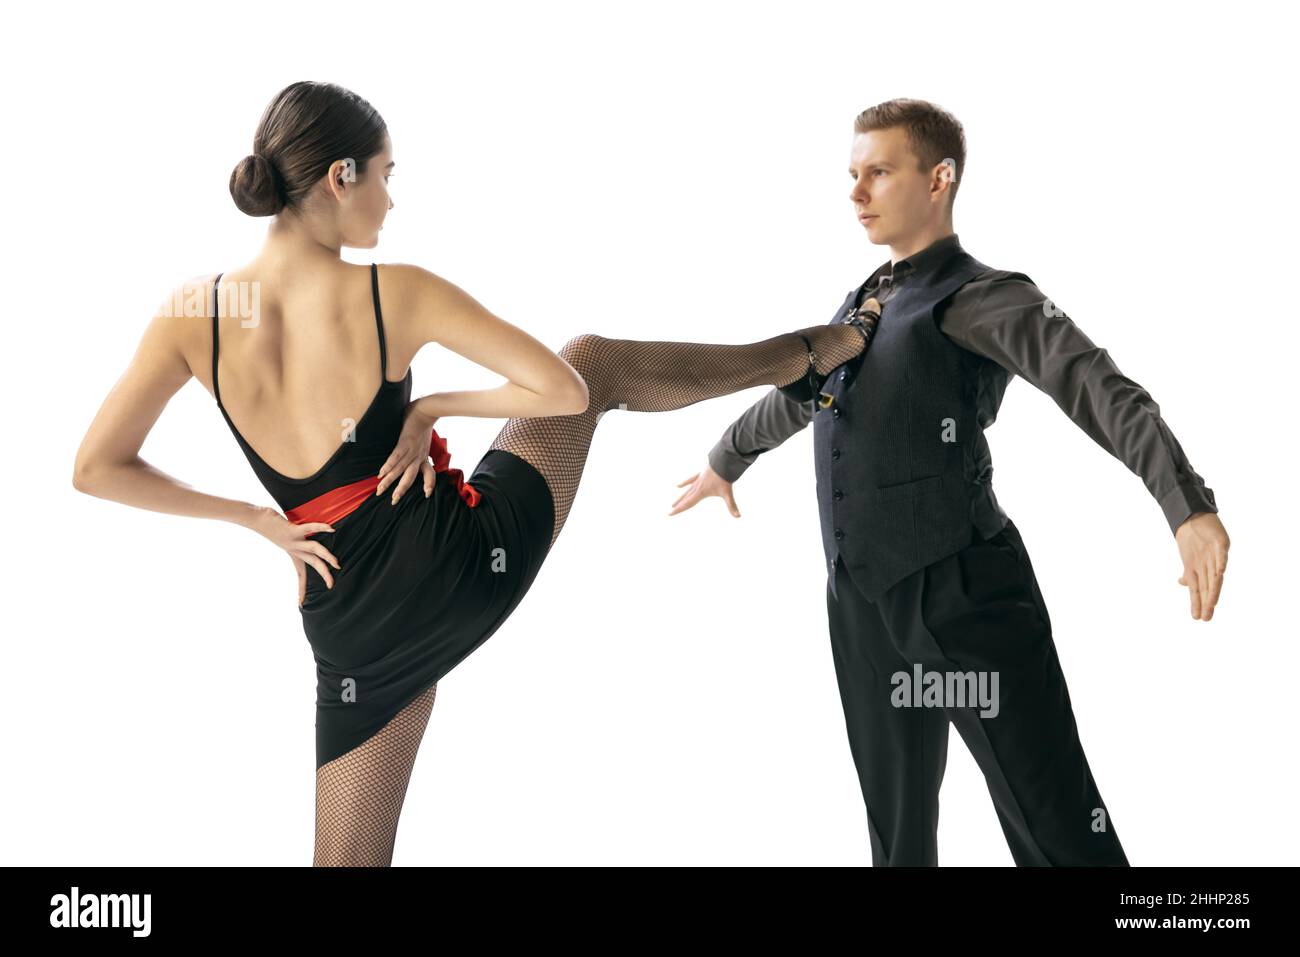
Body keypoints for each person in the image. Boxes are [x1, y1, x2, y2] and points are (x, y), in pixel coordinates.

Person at [69, 80, 873, 866]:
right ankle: (813, 352)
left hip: (353, 621)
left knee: (345, 860)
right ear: (339, 177)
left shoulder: (190, 313)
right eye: (386, 176)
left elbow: (96, 468)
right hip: (455, 562)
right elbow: (566, 389)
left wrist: (259, 522)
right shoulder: (395, 293)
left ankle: (808, 358)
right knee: (594, 356)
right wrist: (429, 408)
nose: (390, 200)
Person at [671, 98, 1231, 866]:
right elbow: (804, 391)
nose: (856, 191)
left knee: (1057, 826)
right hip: (864, 605)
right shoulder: (865, 296)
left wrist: (1185, 502)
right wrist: (724, 460)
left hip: (966, 599)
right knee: (897, 839)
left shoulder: (981, 296)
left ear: (939, 180)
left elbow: (1096, 384)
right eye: (852, 174)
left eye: (878, 172)